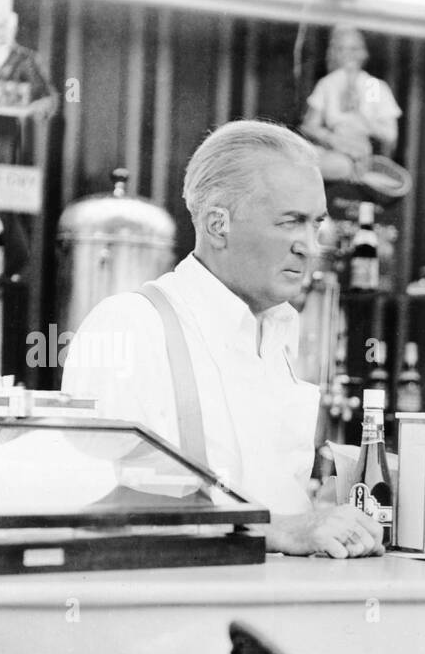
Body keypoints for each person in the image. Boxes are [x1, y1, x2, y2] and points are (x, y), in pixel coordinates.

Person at [62, 120, 383, 559]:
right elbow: (88, 514)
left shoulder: (276, 334)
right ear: (218, 225)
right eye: (291, 222)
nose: (310, 246)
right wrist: (272, 530)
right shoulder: (131, 327)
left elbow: (279, 504)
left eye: (317, 224)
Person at [299, 26, 402, 187]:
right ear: (334, 53)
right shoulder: (328, 83)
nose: (348, 55)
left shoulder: (372, 86)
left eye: (354, 49)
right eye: (341, 49)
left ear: (364, 53)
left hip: (363, 155)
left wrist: (359, 113)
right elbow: (309, 126)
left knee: (341, 166)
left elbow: (389, 136)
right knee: (300, 160)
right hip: (332, 151)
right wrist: (333, 140)